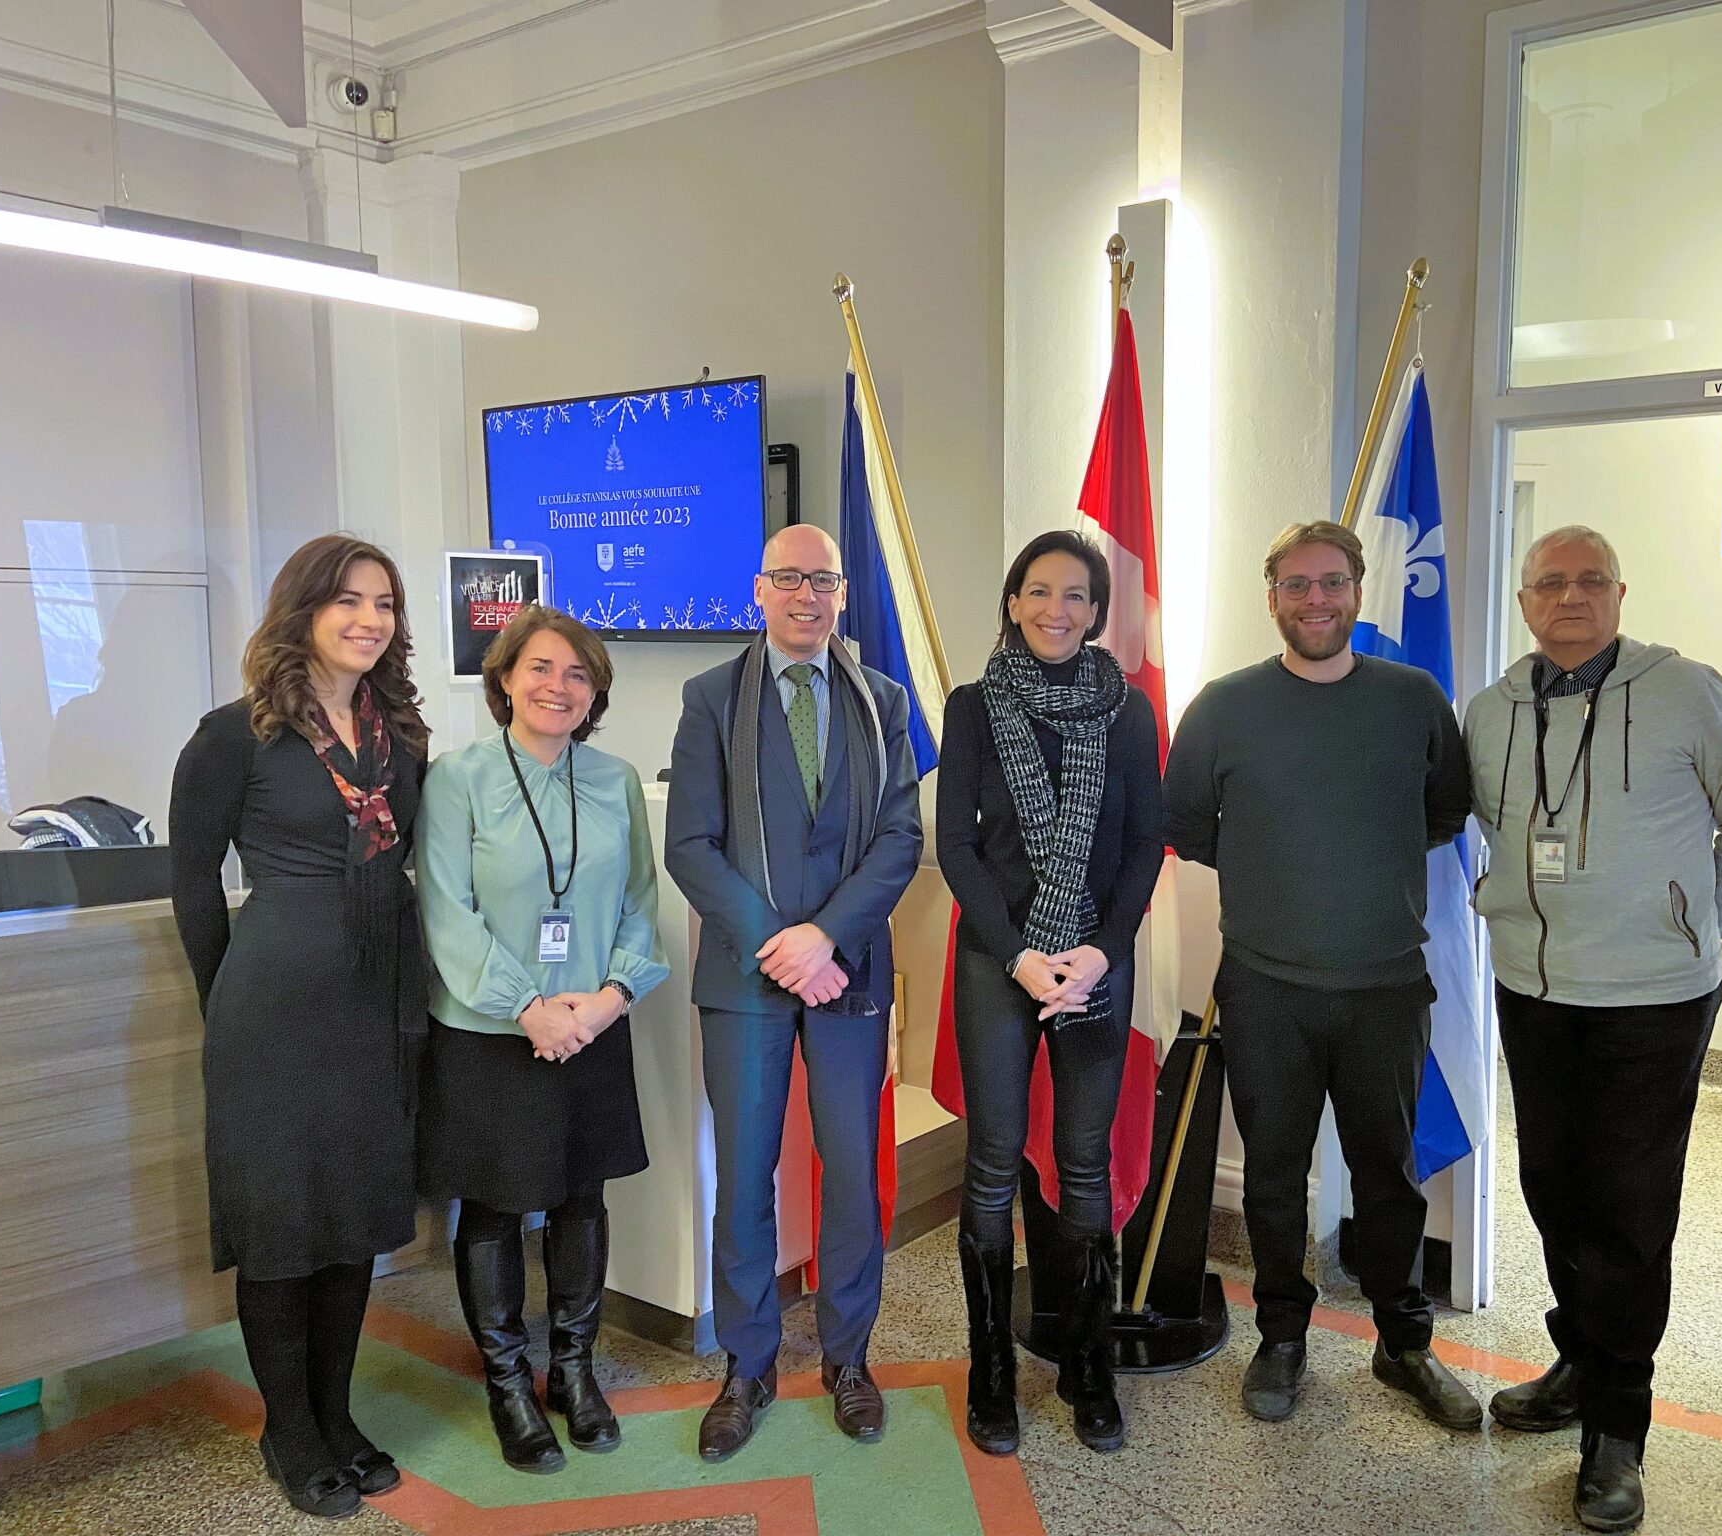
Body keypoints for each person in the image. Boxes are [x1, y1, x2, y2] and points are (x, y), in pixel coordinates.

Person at [1464, 524, 1722, 1533]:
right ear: (1524, 602)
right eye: (1549, 583)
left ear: (1618, 594)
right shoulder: (1490, 711)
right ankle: (1579, 1361)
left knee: (1628, 1213)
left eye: (1589, 580)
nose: (1570, 596)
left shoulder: (1686, 691)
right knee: (1552, 1189)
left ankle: (1616, 1430)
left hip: (1654, 998)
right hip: (1533, 989)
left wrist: (1693, 929)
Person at [1164, 520, 1482, 1435]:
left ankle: (1403, 1343)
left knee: (1389, 1173)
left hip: (1386, 986)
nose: (1316, 600)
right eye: (1297, 585)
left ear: (1358, 590)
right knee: (1273, 1174)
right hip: (1266, 988)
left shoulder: (1413, 699)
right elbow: (1188, 826)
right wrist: (1280, 874)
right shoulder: (1223, 706)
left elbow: (1442, 812)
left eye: (1332, 582)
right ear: (1271, 596)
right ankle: (1282, 1337)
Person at [169, 535, 430, 1520]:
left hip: (373, 1011)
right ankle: (289, 1429)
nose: (370, 619)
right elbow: (193, 884)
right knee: (282, 1230)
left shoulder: (397, 738)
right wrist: (222, 1001)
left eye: (385, 603)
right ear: (303, 610)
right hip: (271, 1015)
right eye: (348, 600)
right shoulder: (234, 736)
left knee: (350, 1223)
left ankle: (335, 1415)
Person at [665, 523, 923, 1461]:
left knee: (851, 1172)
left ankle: (849, 1358)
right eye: (788, 578)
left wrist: (825, 938)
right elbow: (690, 845)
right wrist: (781, 944)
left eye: (823, 580)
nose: (806, 594)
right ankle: (748, 1365)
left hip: (847, 971)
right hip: (747, 976)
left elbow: (901, 837)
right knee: (744, 1177)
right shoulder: (710, 699)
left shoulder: (882, 701)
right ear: (759, 590)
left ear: (843, 594)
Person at [415, 604, 669, 1473]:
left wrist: (608, 1000)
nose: (558, 686)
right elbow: (446, 911)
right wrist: (527, 1006)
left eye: (577, 674)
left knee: (580, 1198)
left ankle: (573, 1370)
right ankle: (508, 1384)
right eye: (541, 668)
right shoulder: (458, 779)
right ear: (505, 679)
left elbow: (639, 902)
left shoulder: (615, 780)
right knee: (492, 1205)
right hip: (491, 1029)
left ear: (595, 693)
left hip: (591, 1024)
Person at [935, 531, 1164, 1457]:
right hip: (1000, 960)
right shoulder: (973, 707)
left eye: (1075, 595)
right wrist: (1020, 953)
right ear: (1013, 601)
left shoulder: (1130, 712)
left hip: (1096, 962)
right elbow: (956, 846)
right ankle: (991, 1371)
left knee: (1083, 1161)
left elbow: (1144, 844)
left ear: (1097, 610)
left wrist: (1103, 951)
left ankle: (1087, 1364)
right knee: (994, 1160)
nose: (1055, 610)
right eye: (1038, 591)